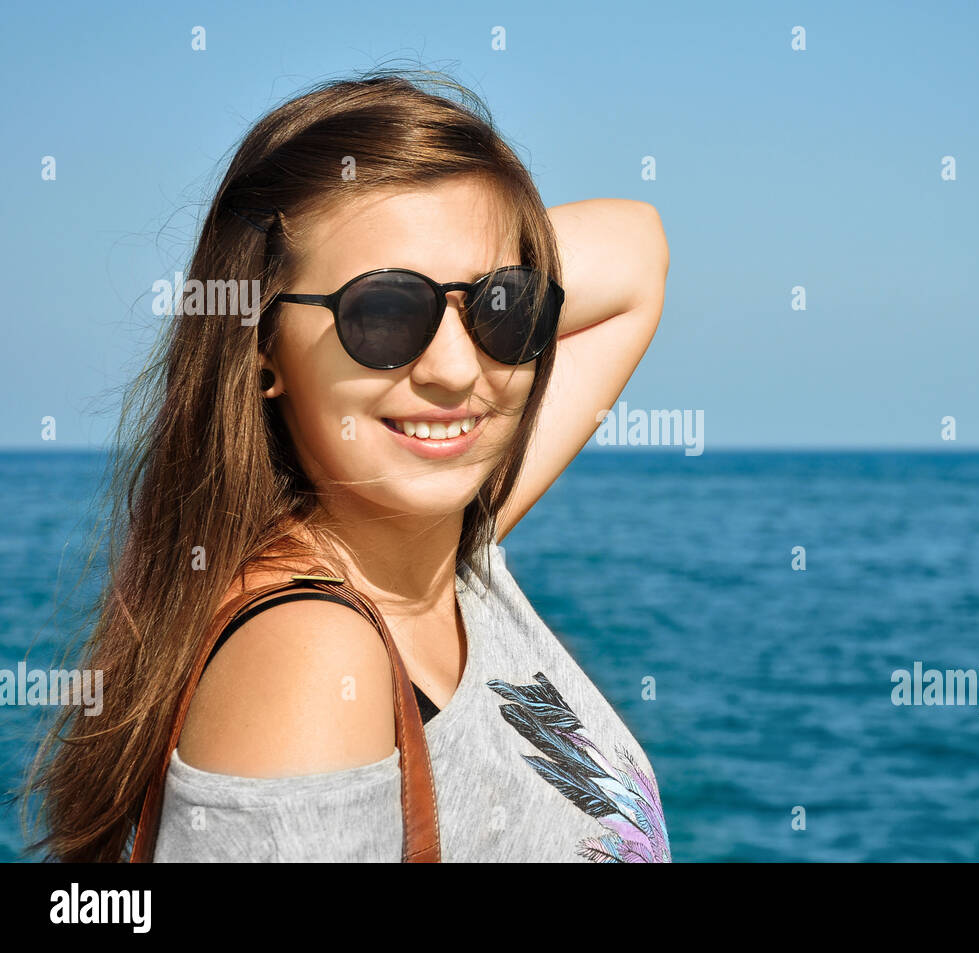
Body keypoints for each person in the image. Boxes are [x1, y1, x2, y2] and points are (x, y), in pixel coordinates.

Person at [24, 70, 671, 862]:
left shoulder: (449, 558)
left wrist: (451, 255)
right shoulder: (311, 659)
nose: (456, 371)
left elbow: (639, 251)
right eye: (387, 310)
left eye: (503, 308)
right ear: (261, 343)